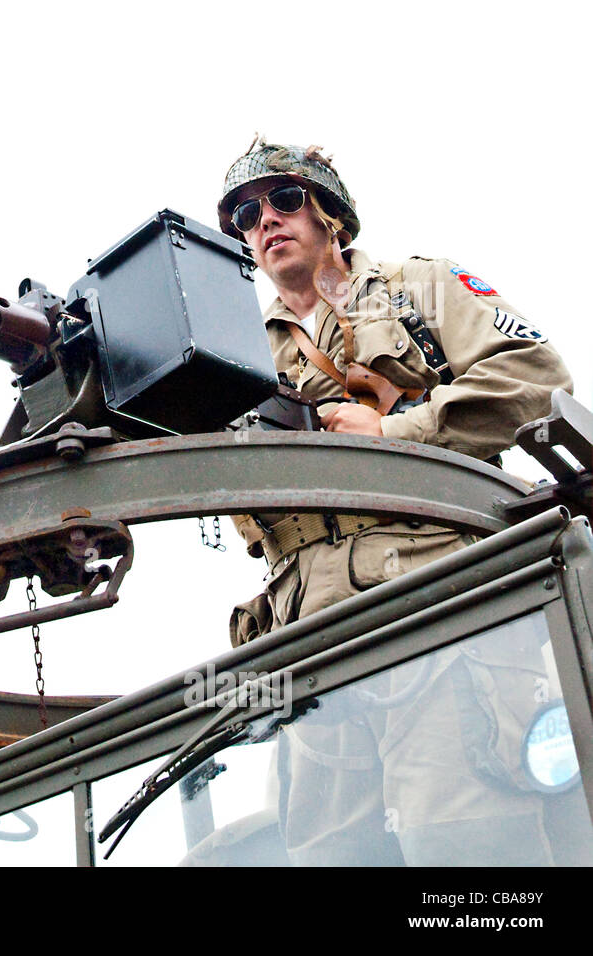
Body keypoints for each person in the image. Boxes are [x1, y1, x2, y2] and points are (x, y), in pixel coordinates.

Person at [215, 137, 581, 865]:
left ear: (332, 218)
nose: (265, 221)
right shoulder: (236, 350)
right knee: (329, 856)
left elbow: (538, 377)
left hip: (434, 600)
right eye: (245, 214)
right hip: (304, 642)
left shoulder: (421, 288)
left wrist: (397, 428)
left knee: (464, 840)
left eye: (284, 199)